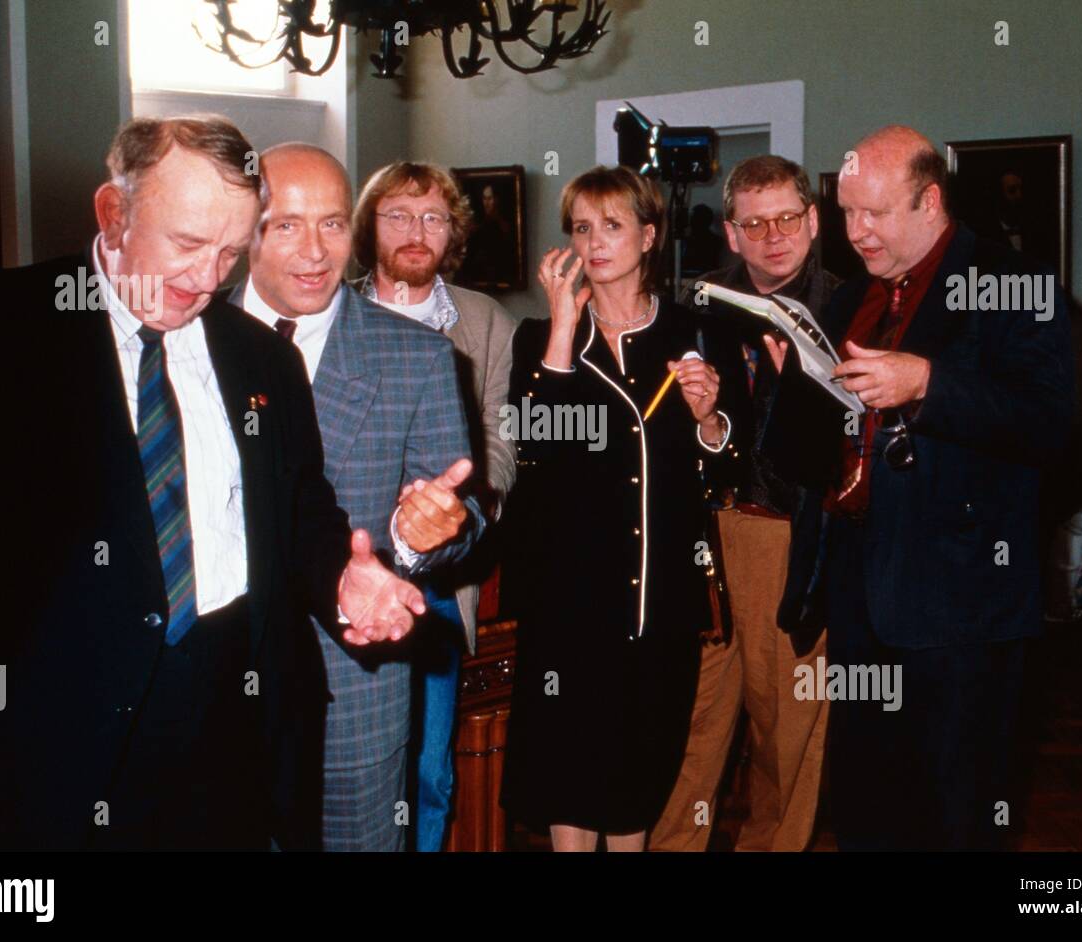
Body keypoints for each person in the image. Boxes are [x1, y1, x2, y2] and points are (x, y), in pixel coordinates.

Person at [0, 116, 423, 850]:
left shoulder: (262, 358)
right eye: (185, 244)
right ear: (112, 215)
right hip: (43, 751)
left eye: (231, 252)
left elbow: (298, 505)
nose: (207, 279)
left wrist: (341, 576)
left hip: (228, 738)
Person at [783, 125, 1073, 850]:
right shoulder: (850, 295)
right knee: (866, 807)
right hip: (858, 590)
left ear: (931, 200)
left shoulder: (1016, 283)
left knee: (955, 811)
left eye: (875, 214)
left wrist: (927, 383)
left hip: (962, 604)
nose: (856, 232)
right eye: (846, 212)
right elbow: (802, 454)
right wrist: (786, 384)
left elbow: (1048, 427)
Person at [231, 143, 482, 852]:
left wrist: (423, 533)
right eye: (286, 225)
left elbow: (456, 513)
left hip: (354, 684)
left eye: (333, 225)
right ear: (246, 225)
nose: (314, 252)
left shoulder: (418, 354)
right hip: (213, 690)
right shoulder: (191, 338)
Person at [500, 165, 734, 852]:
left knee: (642, 758)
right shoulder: (539, 338)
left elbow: (725, 468)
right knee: (570, 763)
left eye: (612, 225)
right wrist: (564, 332)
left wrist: (707, 419)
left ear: (650, 234)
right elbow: (534, 452)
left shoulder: (693, 333)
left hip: (656, 595)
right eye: (580, 227)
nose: (595, 242)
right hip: (568, 594)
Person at [651, 155, 839, 852]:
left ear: (813, 221)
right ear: (731, 233)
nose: (773, 236)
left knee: (788, 734)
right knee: (689, 726)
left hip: (796, 540)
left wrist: (805, 400)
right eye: (754, 223)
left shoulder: (849, 308)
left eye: (788, 218)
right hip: (702, 536)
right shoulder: (697, 305)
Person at [349, 161, 517, 852]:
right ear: (369, 227)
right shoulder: (332, 308)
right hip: (344, 573)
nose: (416, 232)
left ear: (454, 233)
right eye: (398, 215)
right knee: (350, 768)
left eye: (433, 218)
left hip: (441, 582)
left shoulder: (484, 322)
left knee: (428, 770)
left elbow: (504, 444)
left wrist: (459, 507)